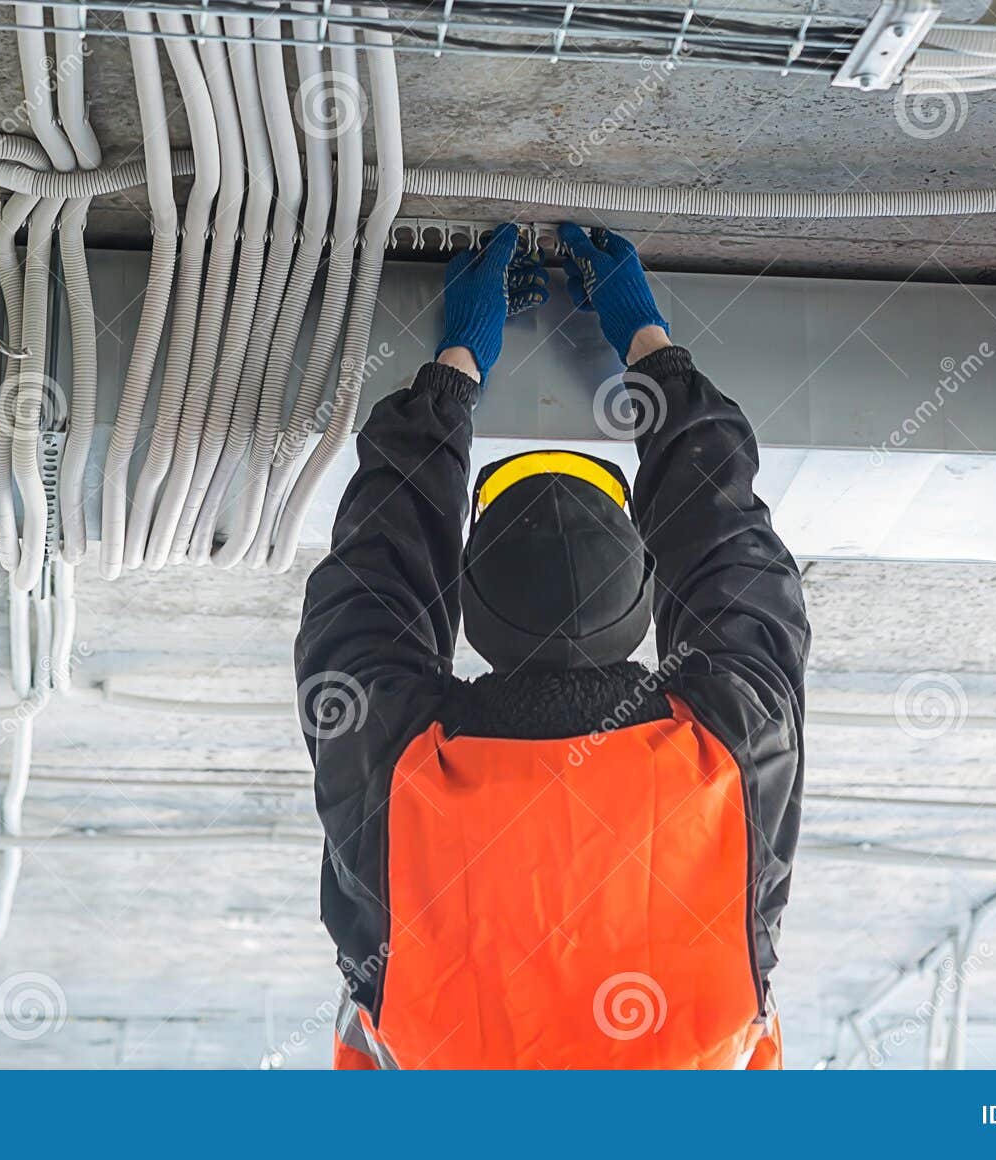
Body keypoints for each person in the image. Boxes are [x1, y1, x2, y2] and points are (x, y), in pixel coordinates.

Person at [295, 222, 809, 1069]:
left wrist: (654, 359)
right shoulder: (399, 781)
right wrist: (451, 373)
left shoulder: (732, 761)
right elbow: (363, 607)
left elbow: (737, 572)